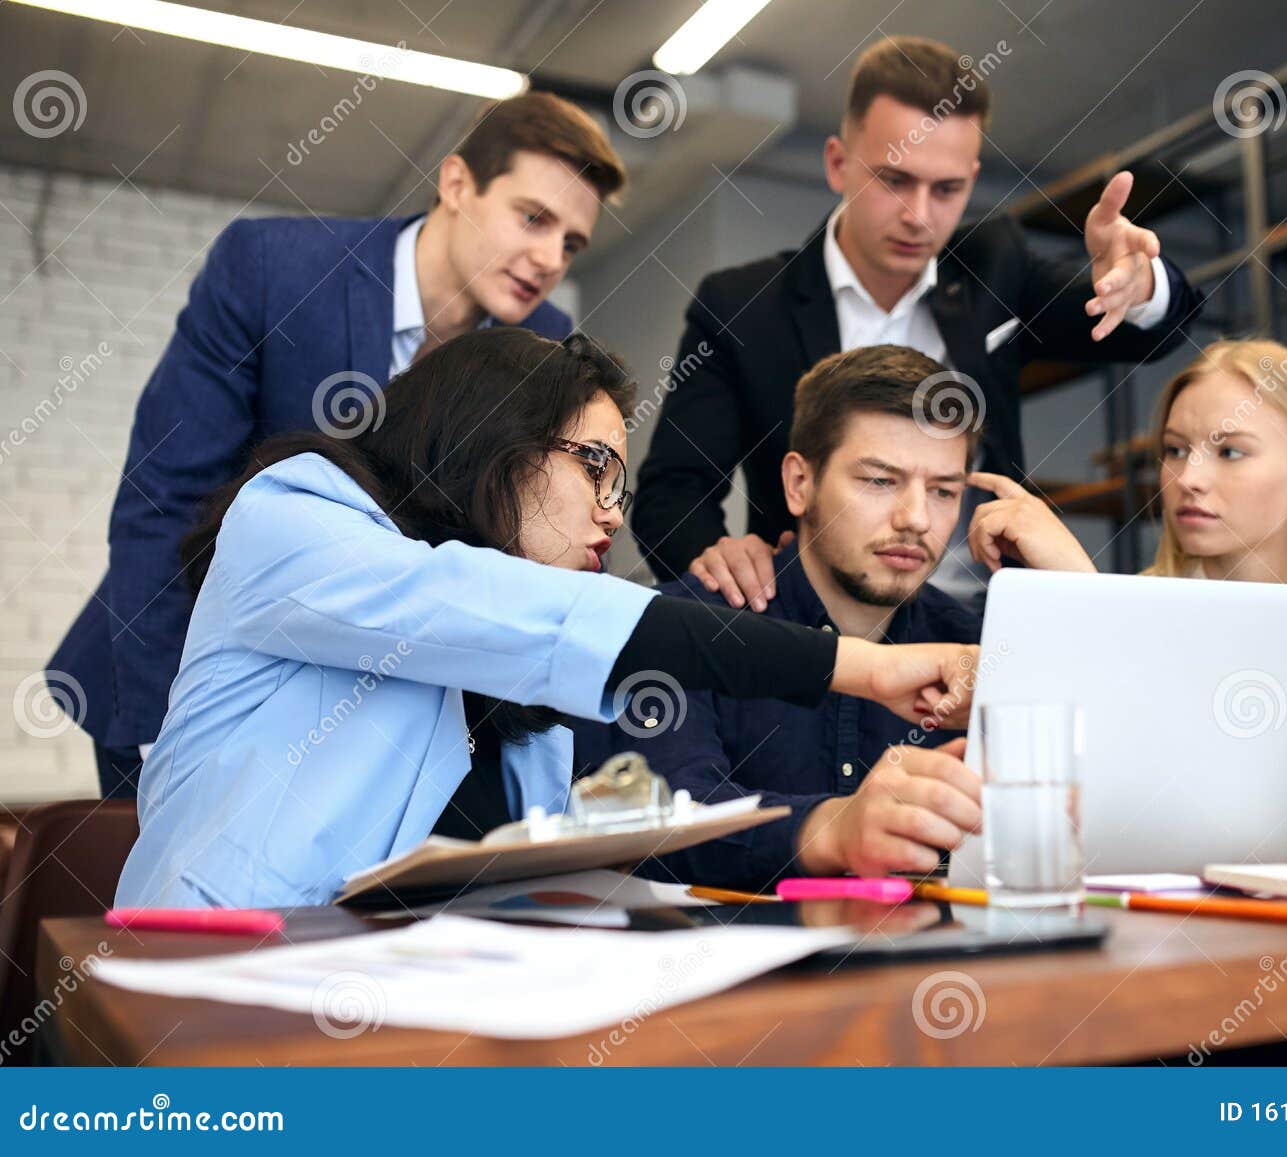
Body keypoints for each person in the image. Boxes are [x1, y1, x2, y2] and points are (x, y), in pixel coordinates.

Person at [115, 330, 976, 910]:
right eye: (593, 464)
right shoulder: (293, 520)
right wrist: (864, 668)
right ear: (491, 437)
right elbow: (499, 611)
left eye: (619, 481)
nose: (611, 510)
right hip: (204, 997)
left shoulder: (526, 703)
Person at [48, 91, 624, 799]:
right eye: (533, 218)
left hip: (380, 718)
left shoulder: (544, 342)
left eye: (571, 243)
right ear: (456, 184)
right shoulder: (274, 270)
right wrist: (168, 727)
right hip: (186, 669)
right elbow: (164, 498)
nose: (548, 258)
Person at [631, 34, 1200, 610]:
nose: (919, 216)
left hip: (986, 613)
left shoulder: (995, 267)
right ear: (837, 164)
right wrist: (721, 565)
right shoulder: (744, 304)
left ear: (971, 178)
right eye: (894, 181)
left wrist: (1139, 284)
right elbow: (672, 491)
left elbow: (1146, 332)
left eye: (947, 189)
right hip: (814, 625)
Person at [964, 339, 1287, 853]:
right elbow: (1056, 811)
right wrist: (1081, 587)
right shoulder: (1116, 612)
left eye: (1230, 451)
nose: (1188, 478)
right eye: (1175, 450)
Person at [574, 345, 986, 889]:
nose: (916, 519)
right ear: (799, 484)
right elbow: (663, 823)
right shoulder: (688, 625)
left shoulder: (976, 644)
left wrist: (1068, 570)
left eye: (943, 491)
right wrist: (830, 829)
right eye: (879, 481)